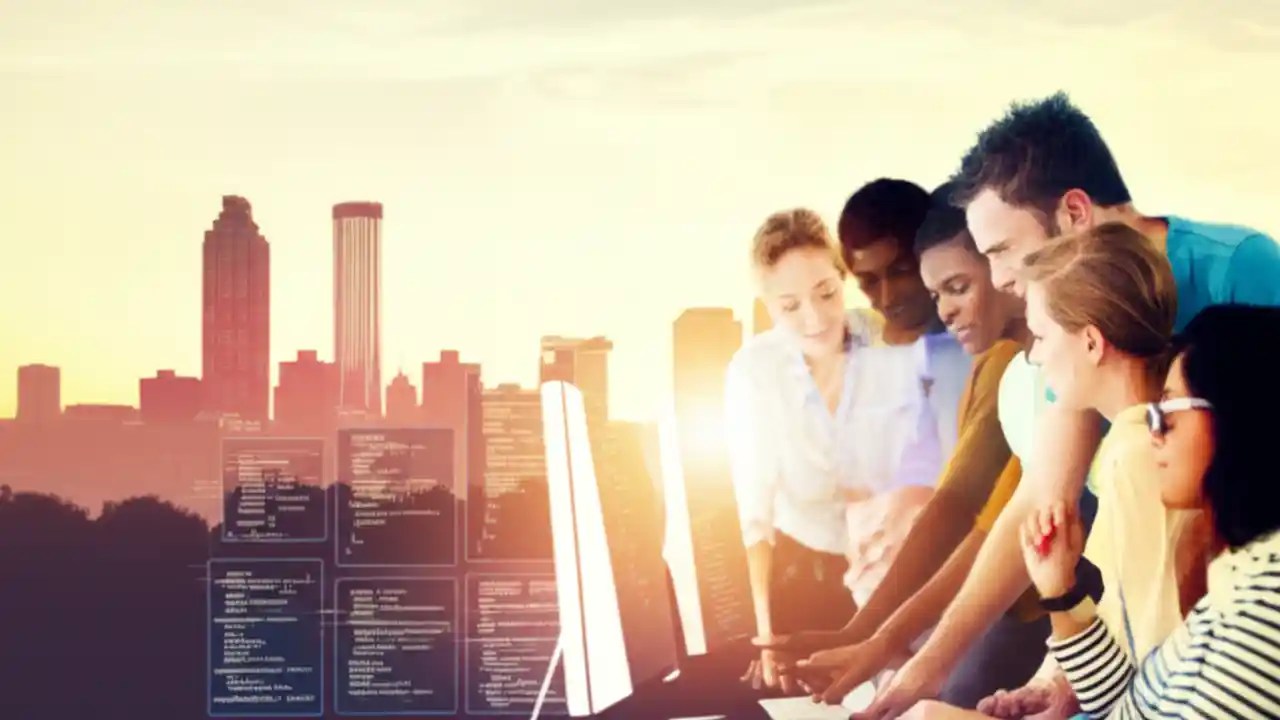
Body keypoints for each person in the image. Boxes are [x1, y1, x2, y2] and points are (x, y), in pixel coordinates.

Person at [857, 91, 1280, 719]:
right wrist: (1016, 666)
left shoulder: (1241, 271)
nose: (999, 278)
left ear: (1075, 213)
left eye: (1001, 251)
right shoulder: (1071, 339)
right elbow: (1042, 499)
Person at [760, 183, 1047, 708]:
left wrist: (877, 636)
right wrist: (870, 632)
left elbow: (967, 514)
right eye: (939, 293)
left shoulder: (1014, 365)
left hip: (1018, 606)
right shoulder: (974, 362)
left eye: (956, 286)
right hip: (958, 599)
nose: (889, 298)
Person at [726, 195, 968, 695]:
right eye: (790, 306)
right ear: (769, 307)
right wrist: (765, 633)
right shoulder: (754, 372)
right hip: (805, 574)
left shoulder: (887, 338)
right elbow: (755, 514)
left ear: (844, 281)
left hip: (895, 562)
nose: (815, 318)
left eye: (826, 294)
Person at [1024, 303, 1280, 718]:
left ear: (1237, 414)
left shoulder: (1264, 607)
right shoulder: (1241, 577)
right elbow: (1126, 702)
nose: (1152, 431)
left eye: (1167, 412)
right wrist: (1062, 589)